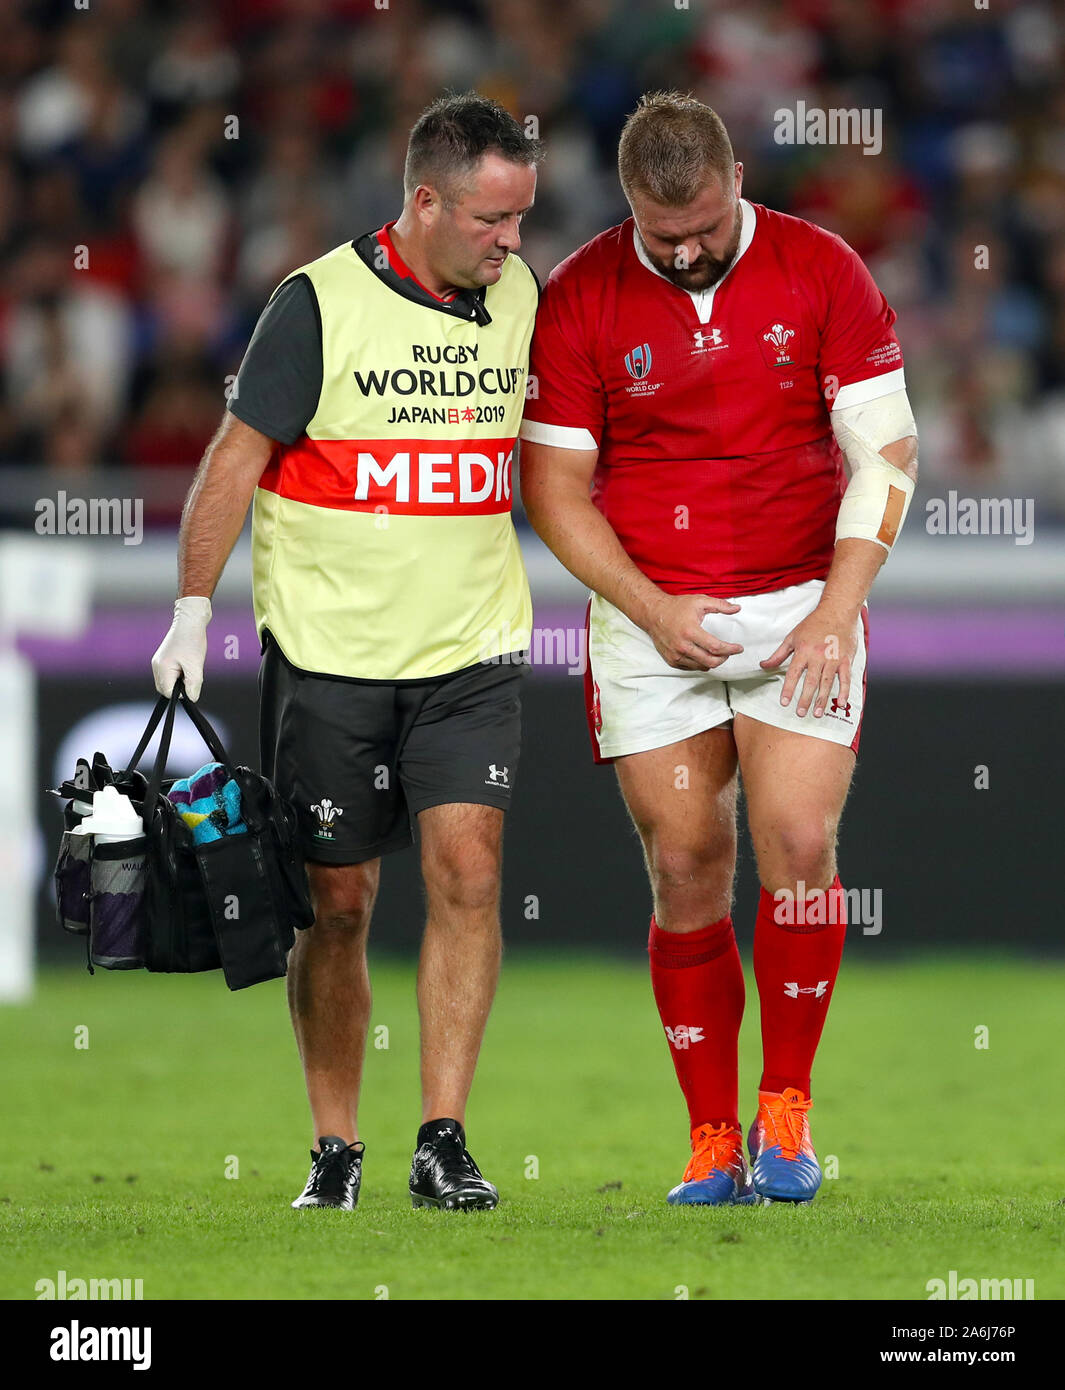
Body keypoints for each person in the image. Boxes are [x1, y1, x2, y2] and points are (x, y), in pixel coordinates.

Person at [519, 92, 917, 1206]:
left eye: (703, 227)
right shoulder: (584, 292)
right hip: (655, 618)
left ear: (738, 175)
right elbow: (551, 488)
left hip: (800, 599)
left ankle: (783, 1109)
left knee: (798, 838)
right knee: (688, 863)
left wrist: (839, 608)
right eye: (664, 234)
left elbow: (884, 448)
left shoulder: (822, 267)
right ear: (629, 202)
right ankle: (708, 1136)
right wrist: (649, 608)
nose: (687, 252)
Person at [152, 93, 542, 1212]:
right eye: (492, 220)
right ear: (424, 200)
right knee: (338, 904)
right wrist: (192, 606)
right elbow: (234, 461)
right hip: (330, 661)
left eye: (522, 218)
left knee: (470, 875)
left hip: (470, 652)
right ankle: (336, 1147)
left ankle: (443, 1138)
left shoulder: (521, 297)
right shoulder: (315, 305)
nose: (513, 243)